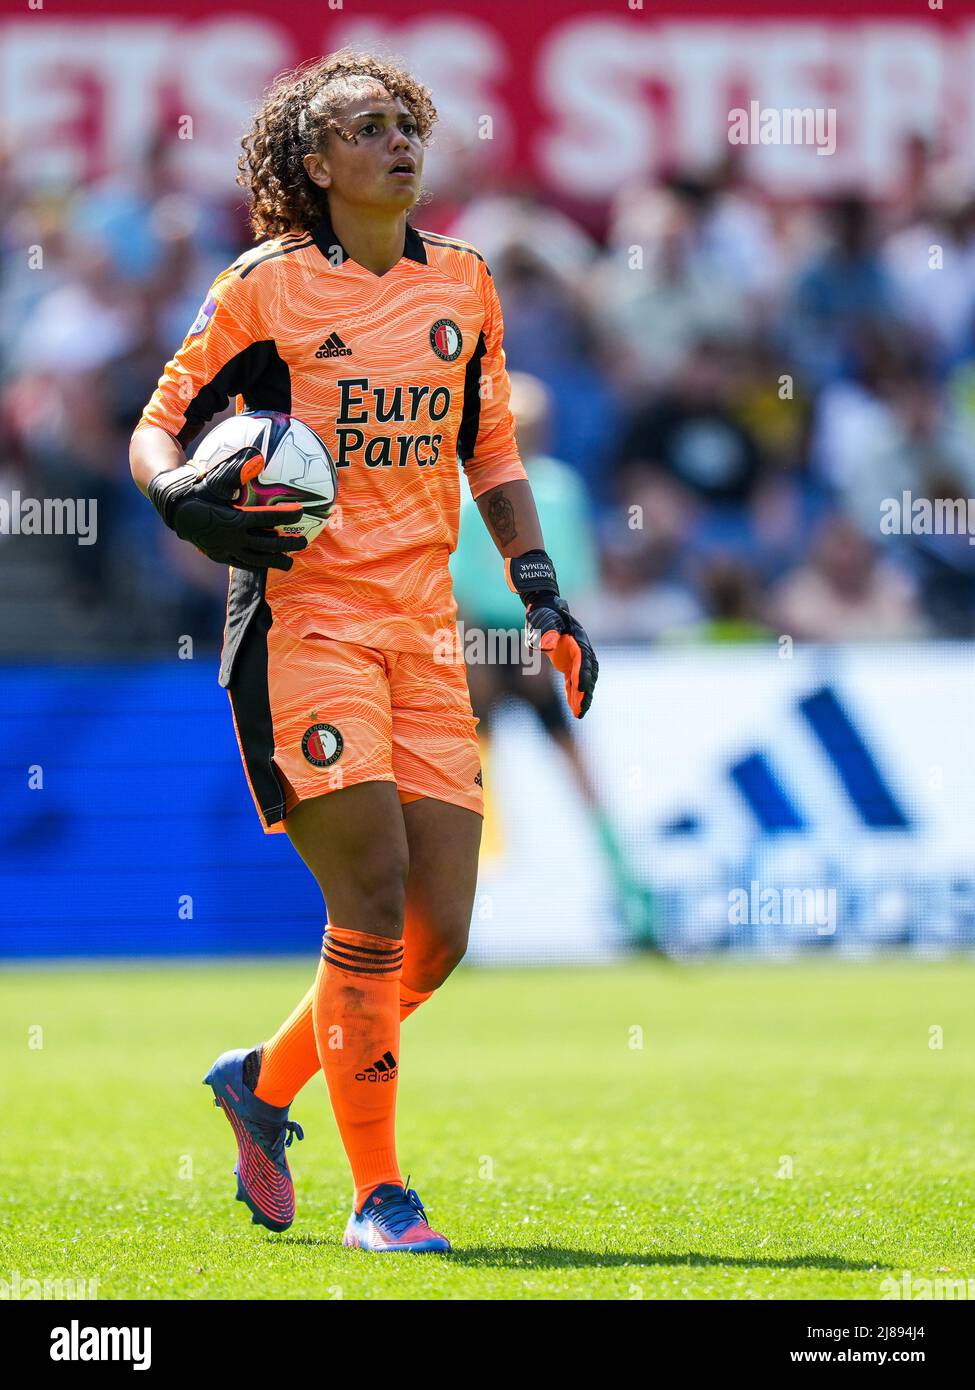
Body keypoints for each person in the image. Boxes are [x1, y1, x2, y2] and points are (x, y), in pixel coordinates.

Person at [128, 50, 597, 1254]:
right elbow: (158, 427)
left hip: (427, 634)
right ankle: (382, 1195)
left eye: (407, 123)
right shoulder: (265, 289)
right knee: (374, 898)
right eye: (366, 127)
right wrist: (182, 498)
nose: (399, 142)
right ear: (315, 163)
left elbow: (490, 456)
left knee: (437, 936)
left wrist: (543, 598)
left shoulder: (467, 285)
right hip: (302, 622)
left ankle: (262, 1081)